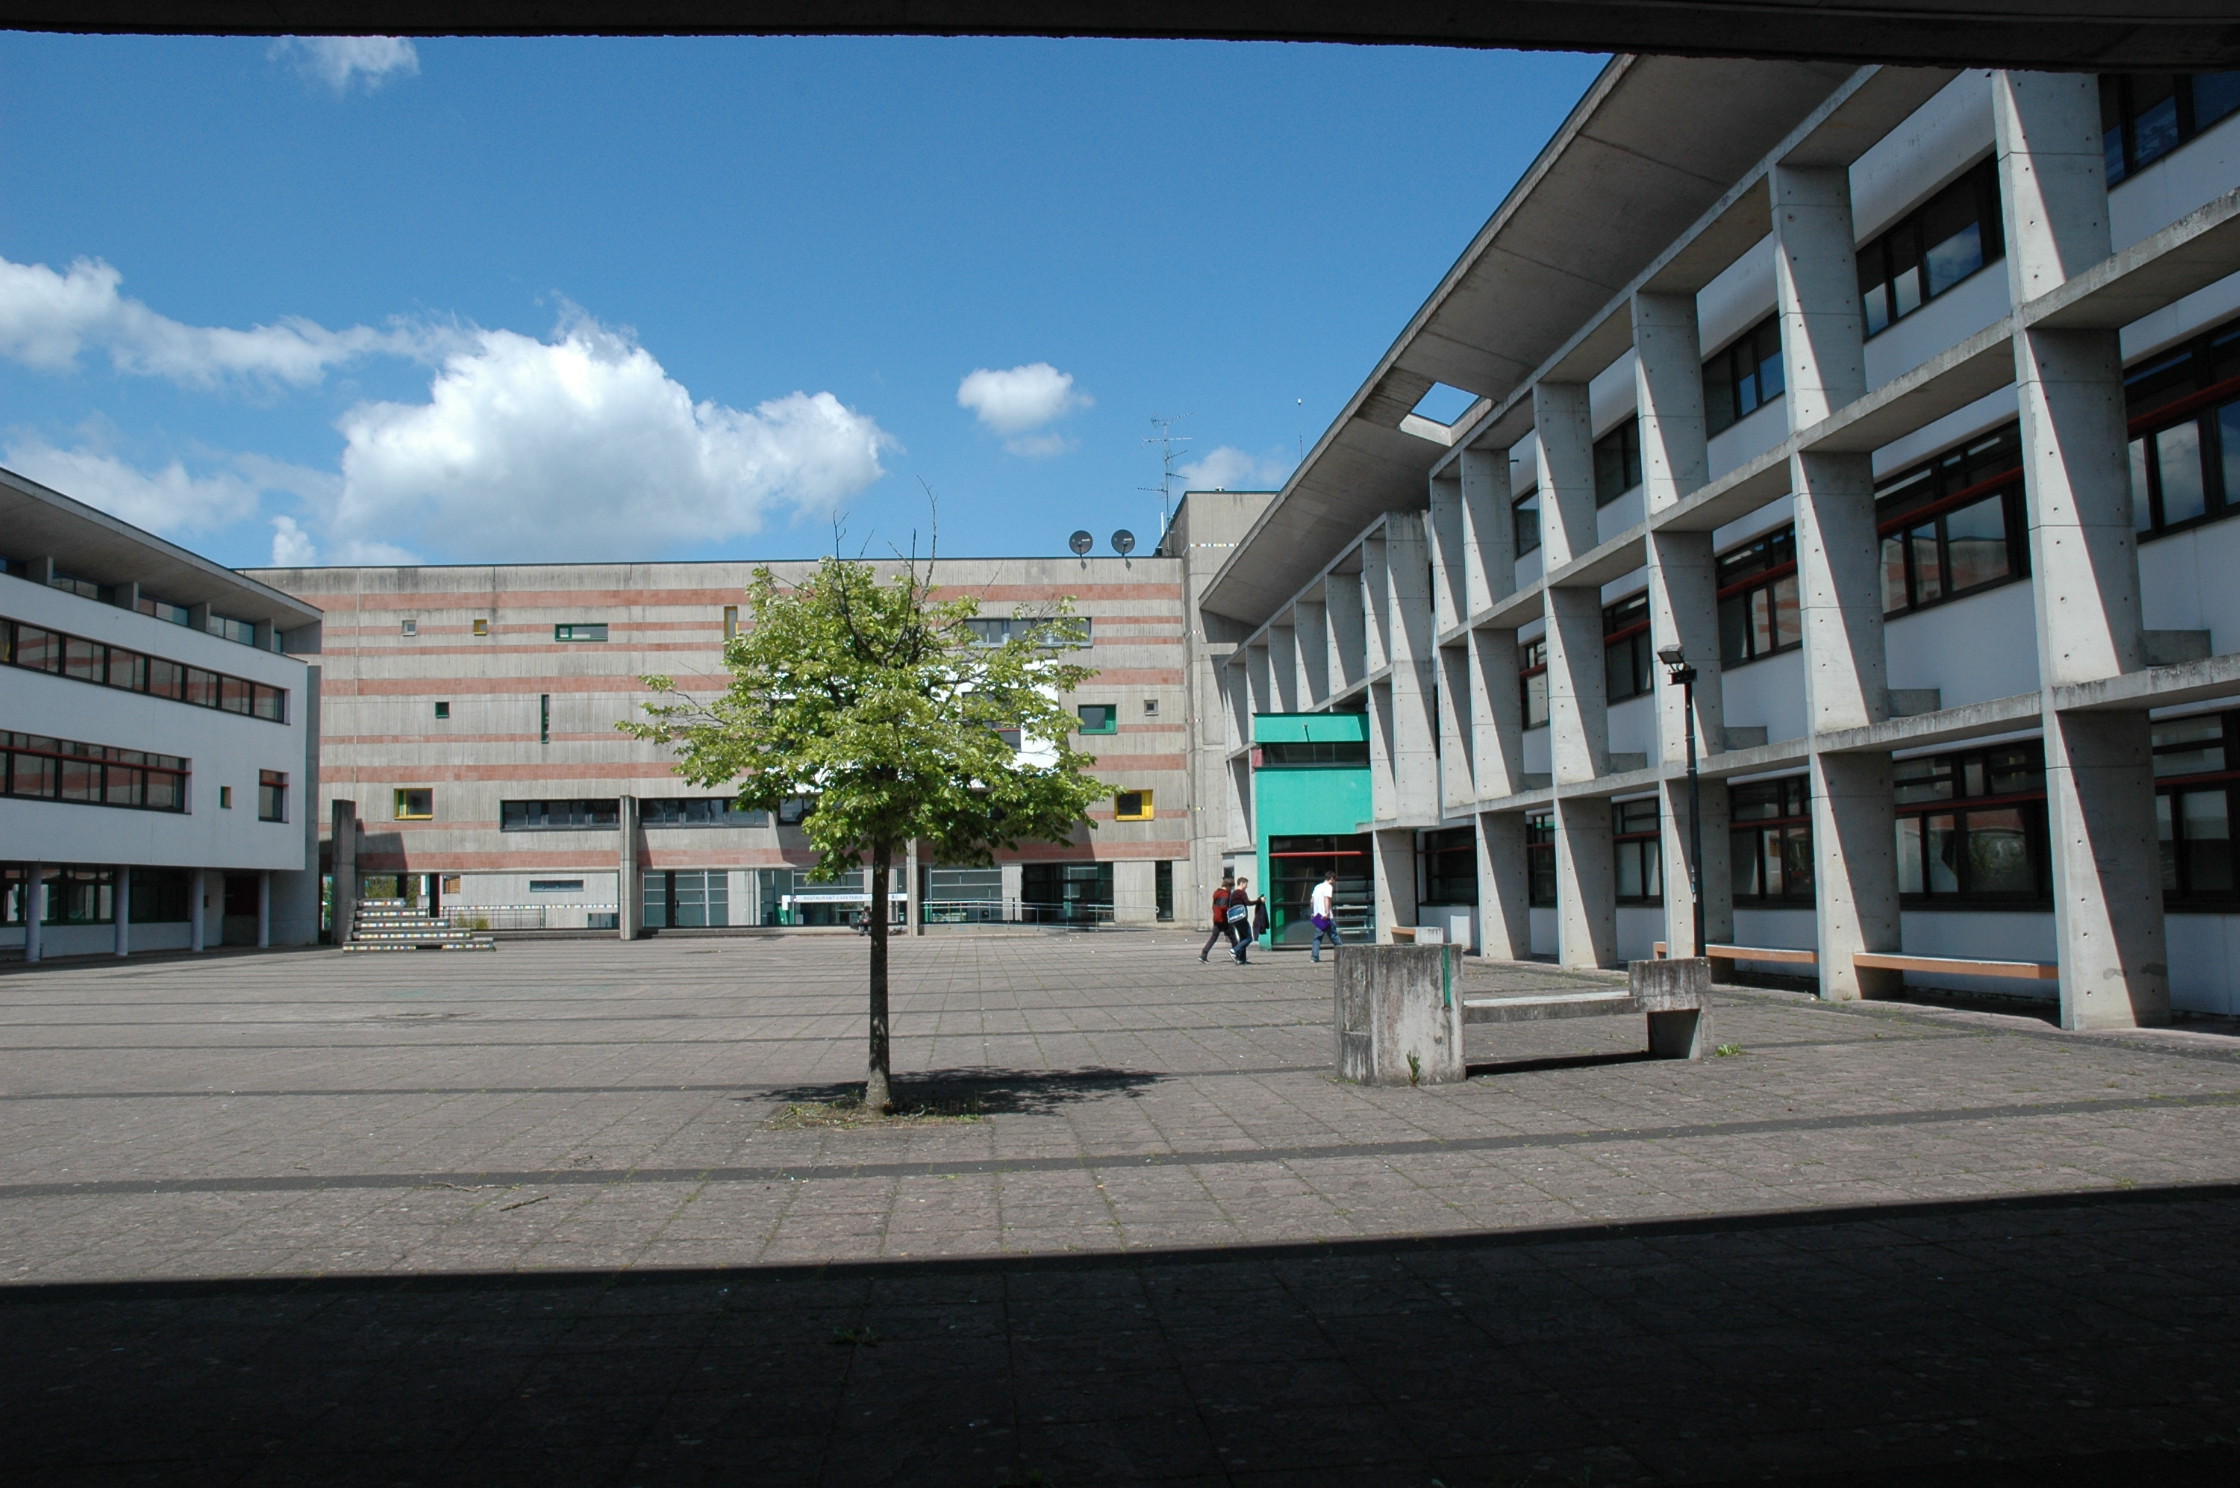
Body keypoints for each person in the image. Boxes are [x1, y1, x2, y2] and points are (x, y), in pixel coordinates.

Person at [1198, 873, 1237, 962]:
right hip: (1224, 919)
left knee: (1214, 937)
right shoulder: (1225, 894)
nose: (1231, 889)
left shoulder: (1217, 893)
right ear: (1228, 886)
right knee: (1233, 937)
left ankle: (1203, 954)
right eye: (1231, 887)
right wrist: (1230, 909)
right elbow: (1223, 906)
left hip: (1217, 918)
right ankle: (1237, 954)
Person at [1308, 868, 1343, 963]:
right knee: (1334, 935)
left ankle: (1314, 957)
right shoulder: (1328, 887)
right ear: (1331, 878)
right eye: (1334, 879)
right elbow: (1327, 899)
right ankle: (1344, 954)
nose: (1334, 882)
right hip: (1326, 916)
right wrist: (1327, 912)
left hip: (1318, 916)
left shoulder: (1317, 887)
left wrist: (1313, 912)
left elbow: (1312, 900)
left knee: (1318, 936)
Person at [1229, 876, 1263, 964]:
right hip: (1242, 918)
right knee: (1249, 938)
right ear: (1242, 883)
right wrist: (1259, 900)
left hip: (1235, 919)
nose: (1247, 886)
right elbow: (1248, 903)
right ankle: (1234, 950)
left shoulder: (1233, 893)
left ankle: (1241, 959)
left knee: (1242, 938)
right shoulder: (1241, 893)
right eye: (1246, 884)